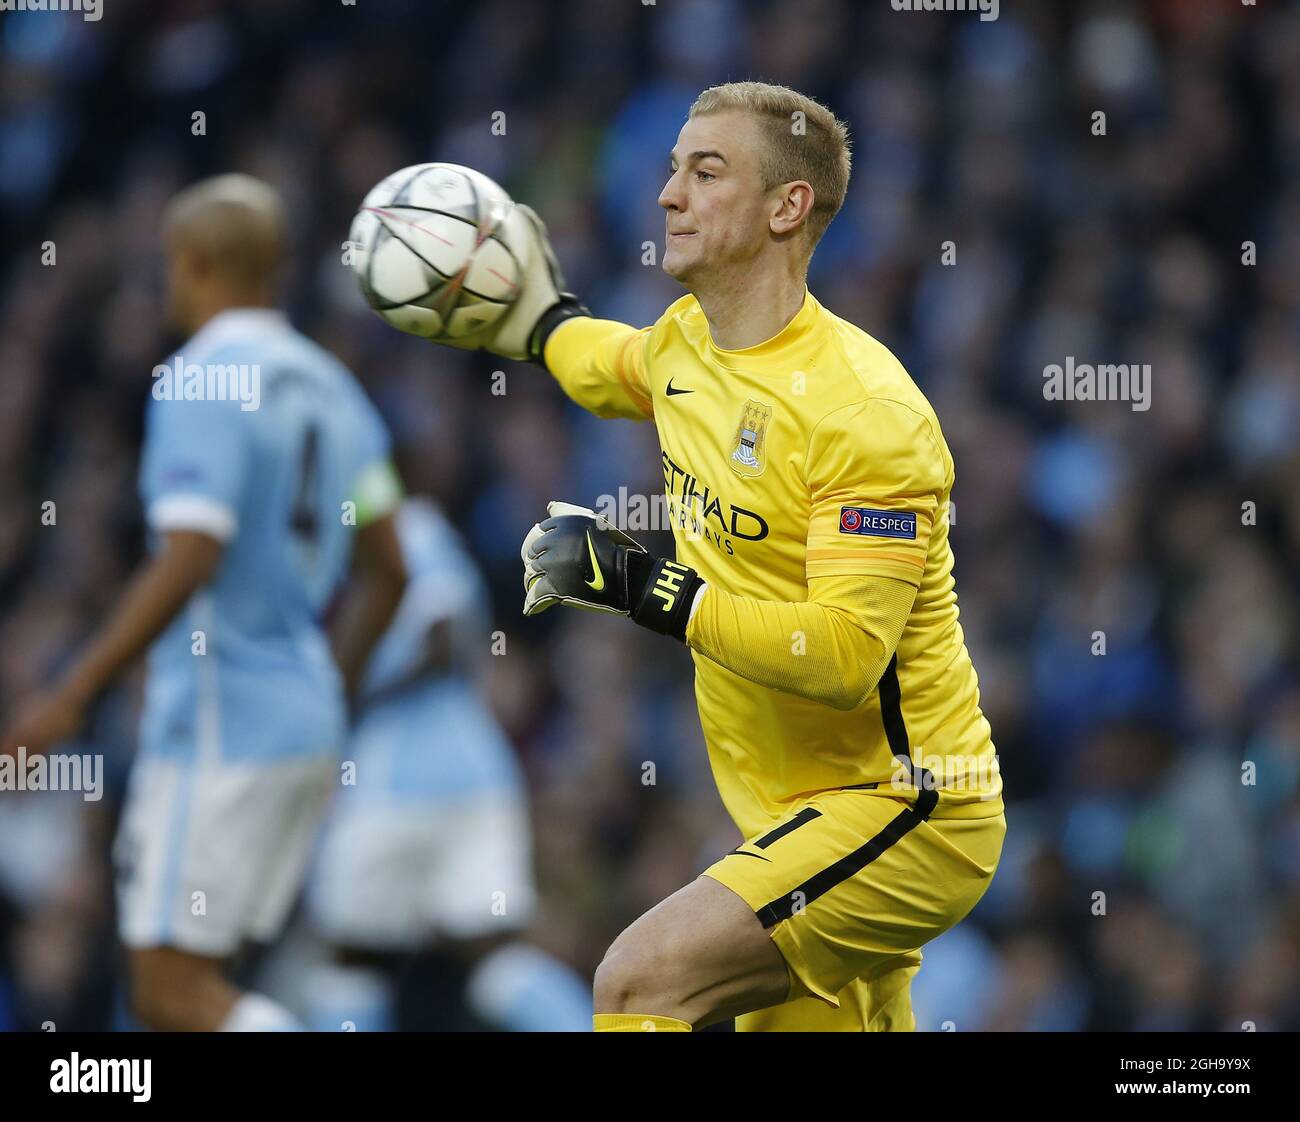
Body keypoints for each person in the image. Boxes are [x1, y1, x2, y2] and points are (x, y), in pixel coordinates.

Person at [434, 80, 1006, 1032]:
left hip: (909, 810)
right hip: (790, 820)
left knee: (638, 982)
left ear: (786, 207)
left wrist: (638, 585)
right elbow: (606, 366)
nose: (668, 194)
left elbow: (843, 655)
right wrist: (536, 319)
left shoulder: (865, 416)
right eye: (672, 170)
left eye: (705, 172)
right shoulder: (687, 345)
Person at [2, 174, 407, 1031]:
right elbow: (391, 569)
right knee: (200, 983)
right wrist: (329, 688)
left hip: (221, 720)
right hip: (302, 719)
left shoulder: (200, 378)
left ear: (191, 262)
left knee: (167, 991)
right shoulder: (333, 388)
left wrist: (70, 695)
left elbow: (193, 551)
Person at [304, 495, 592, 1032]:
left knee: (352, 958)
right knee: (493, 954)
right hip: (478, 778)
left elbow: (442, 636)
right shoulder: (370, 535)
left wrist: (349, 695)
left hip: (391, 783)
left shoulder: (406, 526)